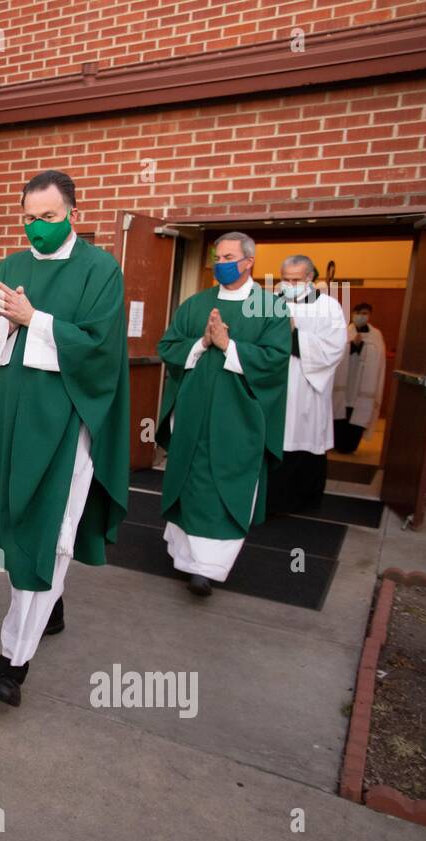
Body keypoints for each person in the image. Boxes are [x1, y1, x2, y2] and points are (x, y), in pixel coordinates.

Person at [0, 170, 128, 707]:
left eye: (48, 217)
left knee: (48, 530)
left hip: (63, 423)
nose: (37, 228)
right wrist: (5, 323)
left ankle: (13, 662)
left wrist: (35, 319)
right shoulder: (11, 265)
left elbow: (100, 349)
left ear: (73, 211)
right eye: (29, 218)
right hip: (9, 418)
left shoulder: (101, 270)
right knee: (16, 521)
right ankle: (51, 603)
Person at [156, 232, 291, 597]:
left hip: (237, 418)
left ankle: (208, 567)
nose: (220, 262)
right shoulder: (195, 304)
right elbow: (167, 347)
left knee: (221, 484)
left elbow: (277, 360)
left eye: (229, 256)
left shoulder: (270, 307)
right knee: (190, 478)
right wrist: (201, 343)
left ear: (249, 262)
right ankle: (185, 558)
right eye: (217, 256)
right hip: (192, 412)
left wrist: (228, 345)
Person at [265, 254, 348, 514]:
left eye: (296, 279)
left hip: (307, 386)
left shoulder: (328, 307)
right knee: (271, 442)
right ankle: (265, 502)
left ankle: (299, 503)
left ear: (310, 278)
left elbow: (334, 348)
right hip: (273, 387)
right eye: (285, 279)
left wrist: (294, 333)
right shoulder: (268, 304)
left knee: (301, 439)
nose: (289, 284)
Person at [332, 302, 386, 454]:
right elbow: (335, 352)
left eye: (366, 313)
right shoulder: (343, 332)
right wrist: (351, 346)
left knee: (359, 415)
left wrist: (364, 346)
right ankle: (339, 444)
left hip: (363, 384)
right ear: (353, 313)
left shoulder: (376, 335)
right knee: (341, 413)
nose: (362, 316)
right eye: (360, 313)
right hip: (345, 382)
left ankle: (352, 445)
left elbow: (379, 357)